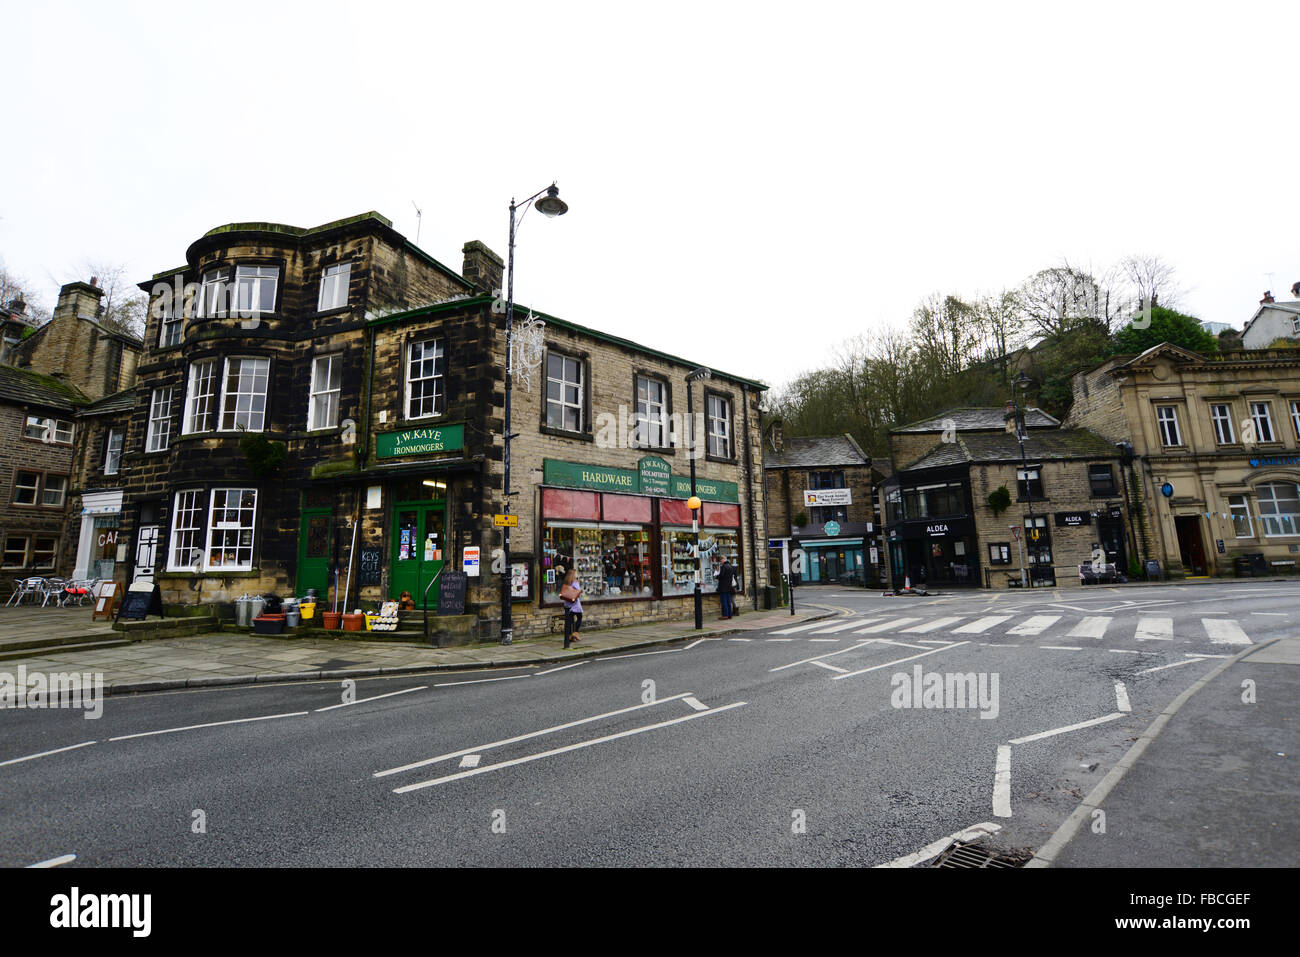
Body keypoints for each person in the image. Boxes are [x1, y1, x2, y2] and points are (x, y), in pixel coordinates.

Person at [559, 568, 583, 648]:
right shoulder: (575, 582)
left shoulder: (567, 582)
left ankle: (570, 636)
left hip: (567, 604)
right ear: (573, 574)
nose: (577, 574)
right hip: (575, 604)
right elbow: (578, 592)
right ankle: (575, 632)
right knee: (579, 616)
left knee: (570, 621)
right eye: (576, 573)